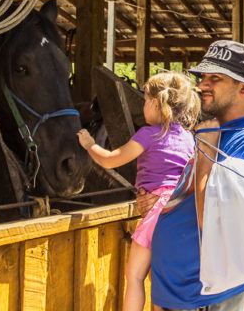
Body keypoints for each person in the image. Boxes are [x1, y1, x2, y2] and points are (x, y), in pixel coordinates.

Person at [142, 41, 244, 311]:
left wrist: (205, 152)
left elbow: (216, 220)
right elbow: (193, 190)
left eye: (215, 78)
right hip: (181, 291)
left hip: (208, 295)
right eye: (203, 76)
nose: (203, 84)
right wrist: (161, 201)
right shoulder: (216, 131)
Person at [76, 72, 199, 311]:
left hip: (155, 213)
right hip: (179, 212)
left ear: (156, 104)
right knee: (163, 280)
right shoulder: (189, 138)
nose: (143, 107)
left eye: (145, 101)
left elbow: (110, 159)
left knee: (134, 276)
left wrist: (89, 145)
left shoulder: (149, 134)